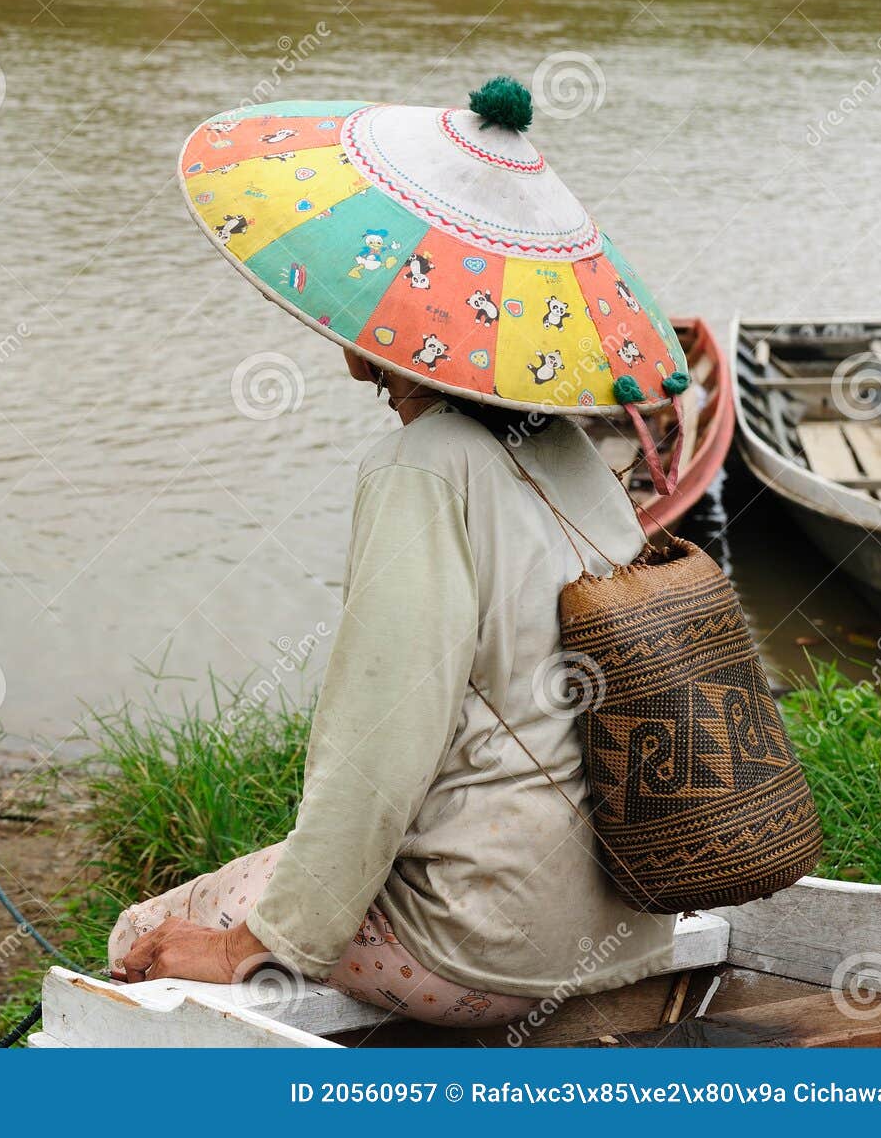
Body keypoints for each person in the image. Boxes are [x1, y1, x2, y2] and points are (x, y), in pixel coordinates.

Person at [111, 79, 691, 1026]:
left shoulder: (421, 468)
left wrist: (254, 944)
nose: (348, 350)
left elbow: (379, 746)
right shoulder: (575, 454)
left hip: (486, 944)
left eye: (358, 328)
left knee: (154, 924)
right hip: (635, 922)